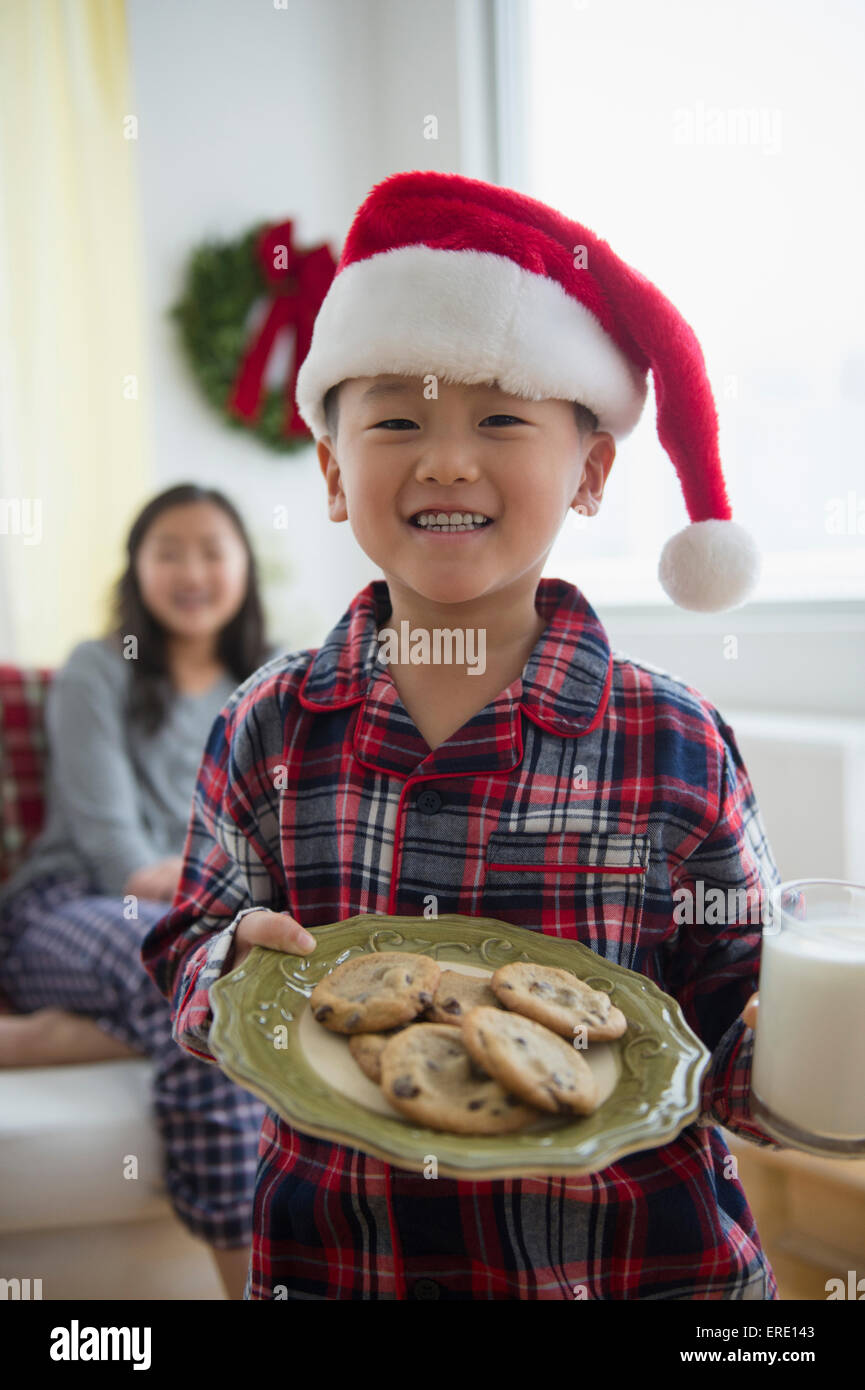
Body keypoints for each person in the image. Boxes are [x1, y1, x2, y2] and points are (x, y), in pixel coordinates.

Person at [141, 171, 781, 1301]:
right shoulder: (264, 727)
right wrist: (229, 966)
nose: (444, 458)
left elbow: (734, 1027)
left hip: (642, 1269)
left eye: (499, 417)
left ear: (588, 470)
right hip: (343, 1261)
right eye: (396, 420)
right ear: (335, 472)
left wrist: (817, 1060)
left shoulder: (675, 745)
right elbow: (187, 941)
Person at [0, 482, 277, 1300]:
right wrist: (230, 907)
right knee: (211, 983)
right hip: (71, 907)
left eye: (211, 550)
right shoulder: (99, 669)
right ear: (138, 570)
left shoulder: (270, 683)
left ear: (243, 569)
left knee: (227, 980)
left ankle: (45, 1038)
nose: (191, 570)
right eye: (168, 551)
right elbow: (114, 848)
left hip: (207, 920)